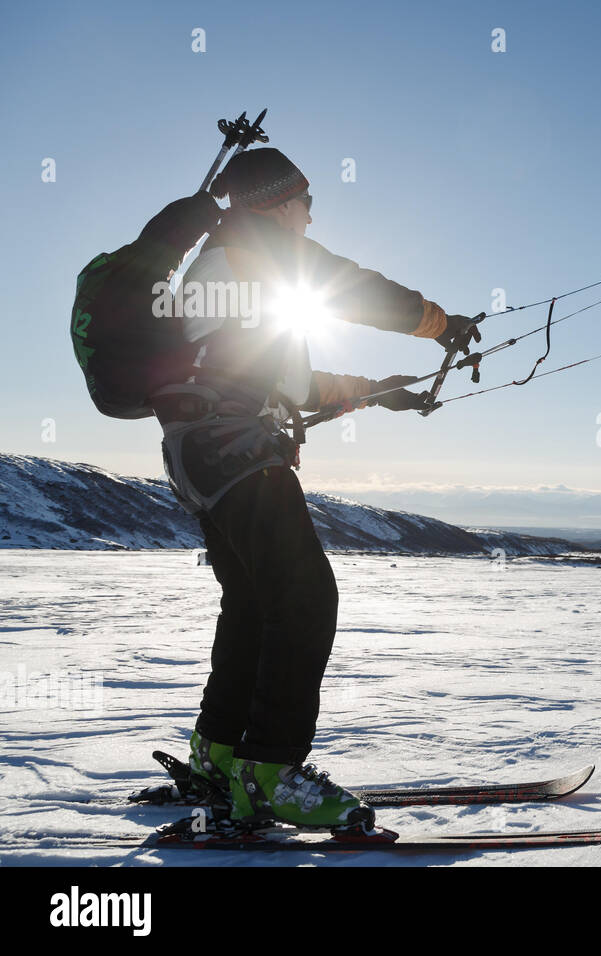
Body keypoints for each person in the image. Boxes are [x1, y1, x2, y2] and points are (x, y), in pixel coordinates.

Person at [152, 146, 479, 829]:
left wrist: (379, 393)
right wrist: (441, 324)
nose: (310, 215)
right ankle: (270, 772)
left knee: (254, 602)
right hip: (235, 451)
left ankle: (219, 756)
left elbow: (294, 386)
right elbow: (353, 289)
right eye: (306, 202)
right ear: (278, 203)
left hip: (200, 453)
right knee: (304, 597)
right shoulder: (257, 250)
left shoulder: (225, 265)